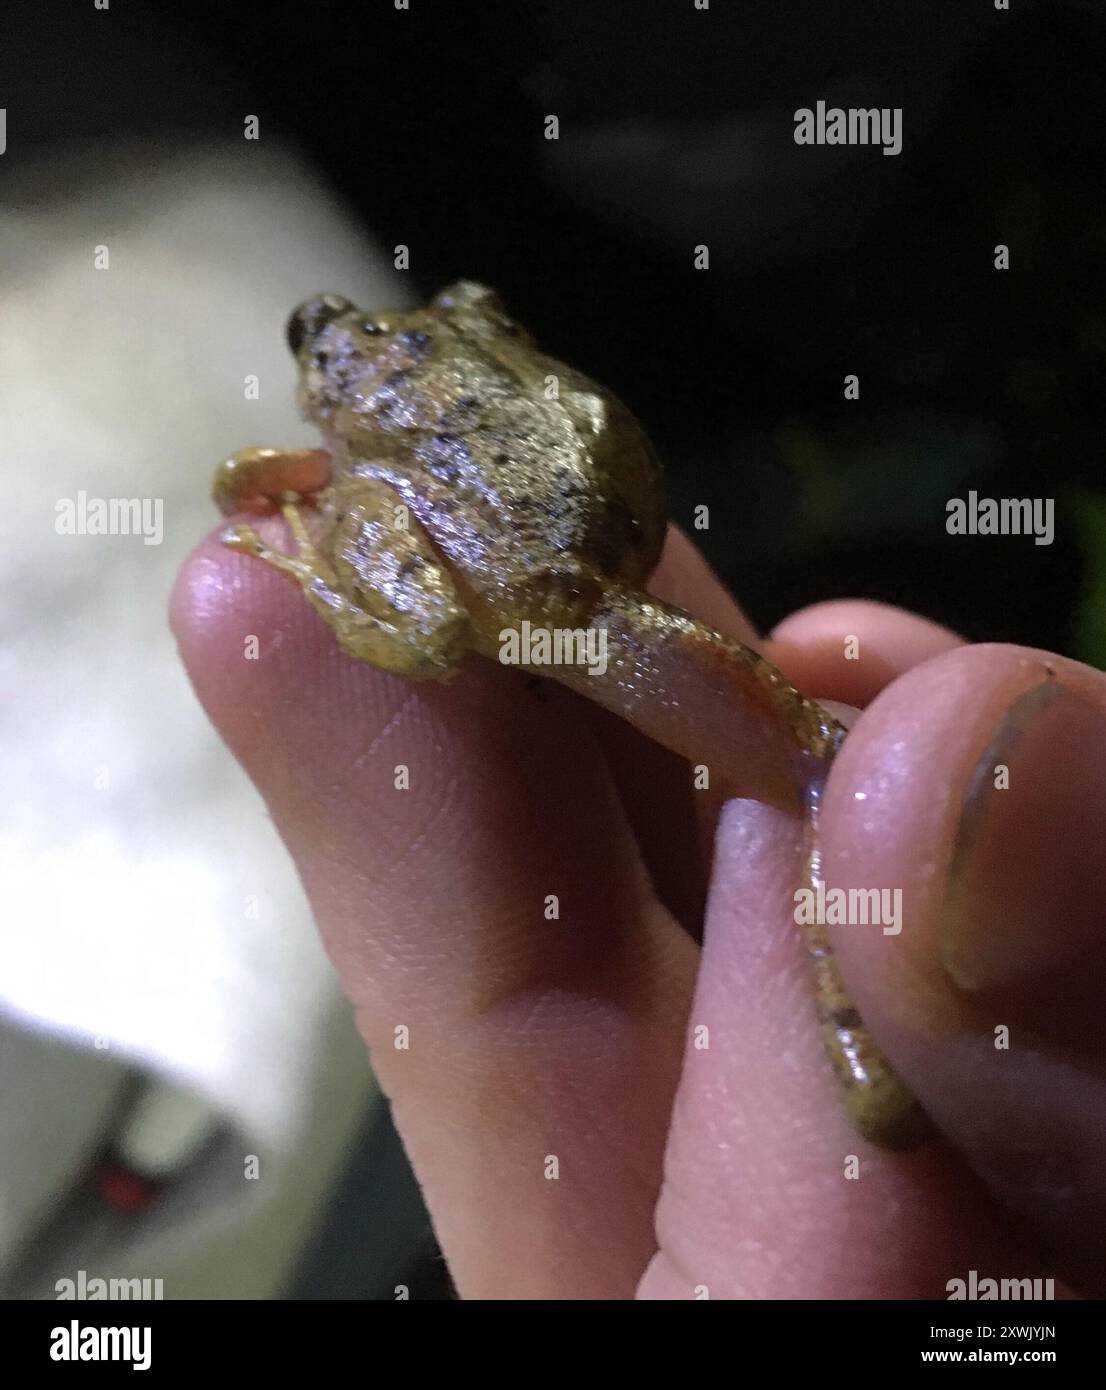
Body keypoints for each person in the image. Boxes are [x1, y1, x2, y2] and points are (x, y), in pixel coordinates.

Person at [173, 524, 1105, 1300]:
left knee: (832, 772)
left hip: (570, 597)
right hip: (584, 593)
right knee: (822, 762)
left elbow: (414, 637)